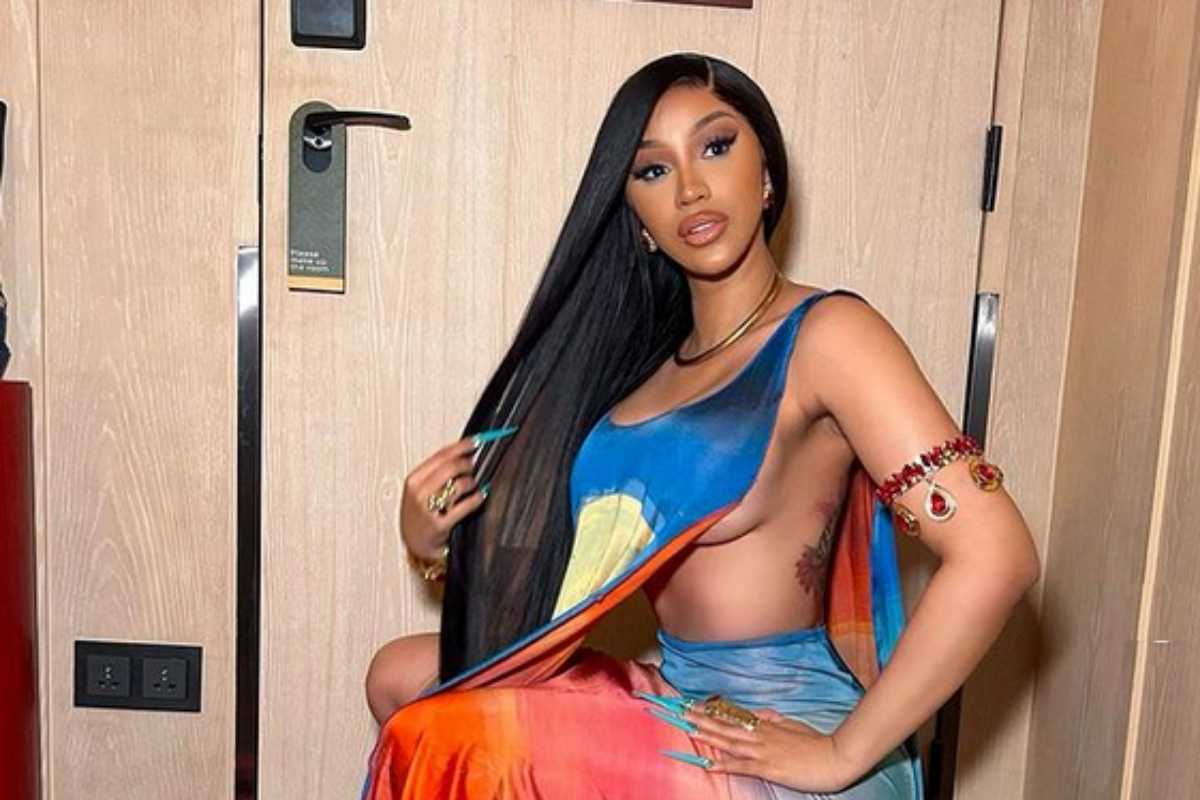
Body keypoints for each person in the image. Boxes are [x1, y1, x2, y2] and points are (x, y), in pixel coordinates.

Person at [361, 51, 1039, 799]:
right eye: (653, 170)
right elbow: (566, 579)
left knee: (455, 736)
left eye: (716, 147)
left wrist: (842, 753)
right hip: (683, 695)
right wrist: (433, 546)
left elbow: (995, 553)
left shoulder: (828, 335)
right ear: (637, 218)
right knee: (400, 674)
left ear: (767, 173)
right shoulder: (641, 373)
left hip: (782, 716)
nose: (689, 188)